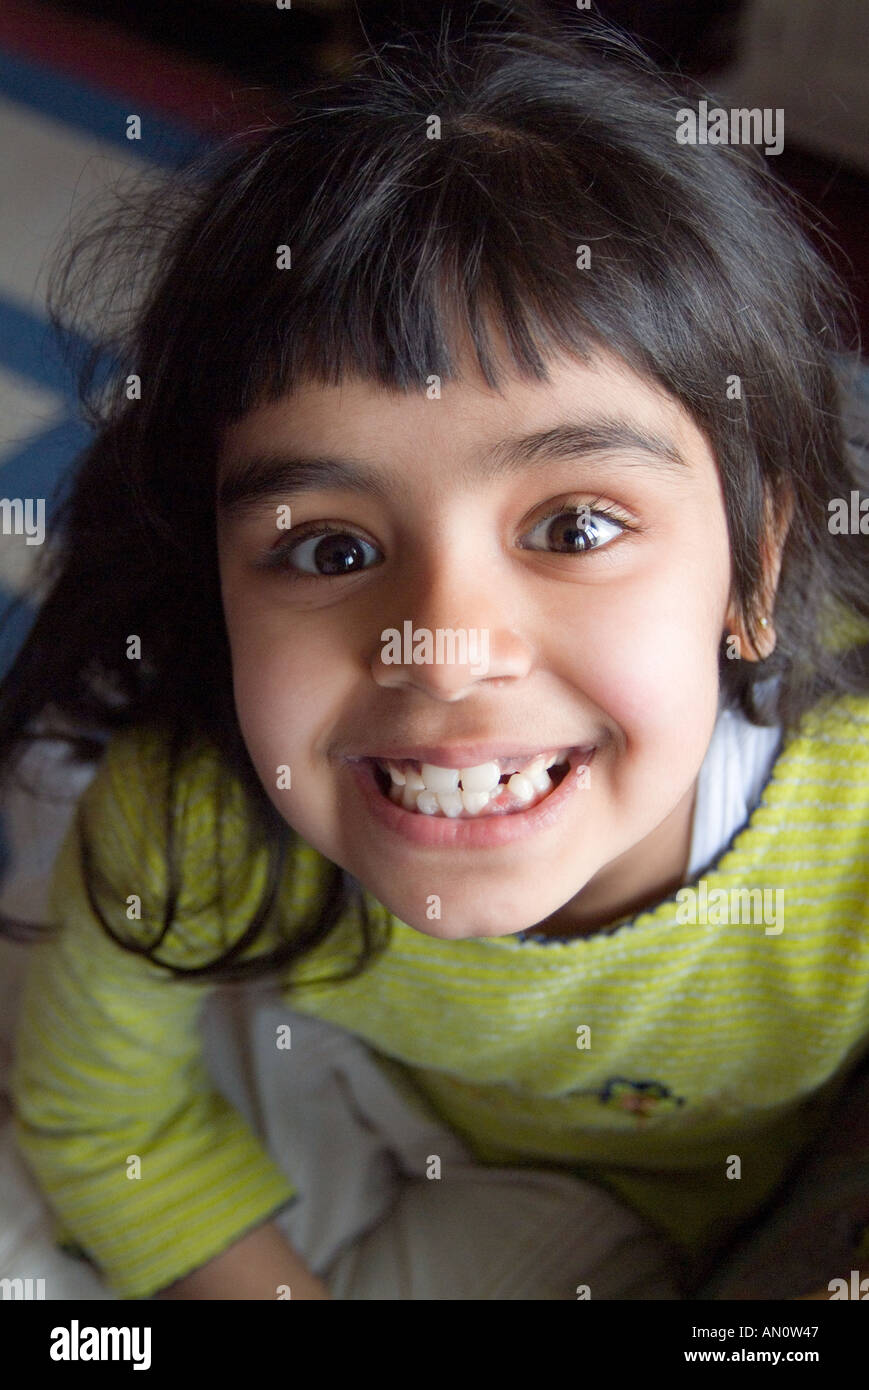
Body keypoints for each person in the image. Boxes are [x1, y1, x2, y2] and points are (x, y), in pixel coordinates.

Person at [3, 11, 869, 1300]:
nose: (445, 652)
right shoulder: (192, 818)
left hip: (598, 1193)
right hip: (290, 1044)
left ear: (754, 570)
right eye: (331, 550)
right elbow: (99, 1121)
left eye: (575, 528)